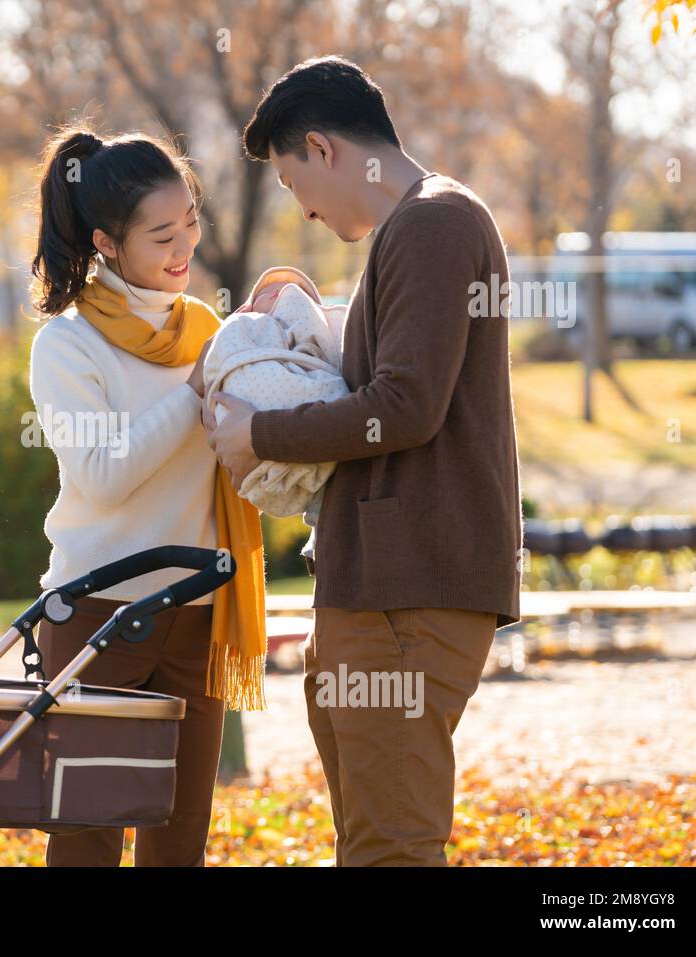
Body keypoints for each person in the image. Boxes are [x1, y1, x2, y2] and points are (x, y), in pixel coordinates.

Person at [205, 55, 524, 866]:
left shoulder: (433, 223)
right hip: (379, 589)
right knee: (369, 844)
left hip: (408, 593)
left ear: (323, 147)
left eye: (291, 181)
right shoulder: (418, 227)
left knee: (389, 850)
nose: (303, 210)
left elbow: (405, 406)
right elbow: (396, 380)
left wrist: (259, 436)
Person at [26, 125, 267, 866]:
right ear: (107, 242)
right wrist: (195, 391)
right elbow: (101, 474)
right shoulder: (67, 345)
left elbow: (247, 462)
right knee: (87, 844)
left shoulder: (208, 331)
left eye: (190, 222)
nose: (183, 246)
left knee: (178, 843)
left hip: (196, 612)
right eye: (161, 233)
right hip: (96, 614)